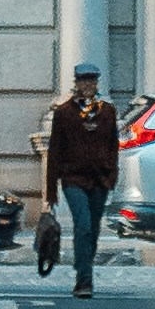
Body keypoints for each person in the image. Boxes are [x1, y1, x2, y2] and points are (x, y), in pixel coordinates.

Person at [41, 65, 120, 296]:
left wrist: (112, 174)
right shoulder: (64, 112)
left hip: (100, 179)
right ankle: (84, 281)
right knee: (83, 224)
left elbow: (112, 145)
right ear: (76, 83)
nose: (88, 85)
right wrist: (50, 190)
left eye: (92, 81)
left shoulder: (107, 112)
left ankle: (83, 263)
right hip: (73, 178)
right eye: (84, 81)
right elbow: (54, 150)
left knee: (93, 229)